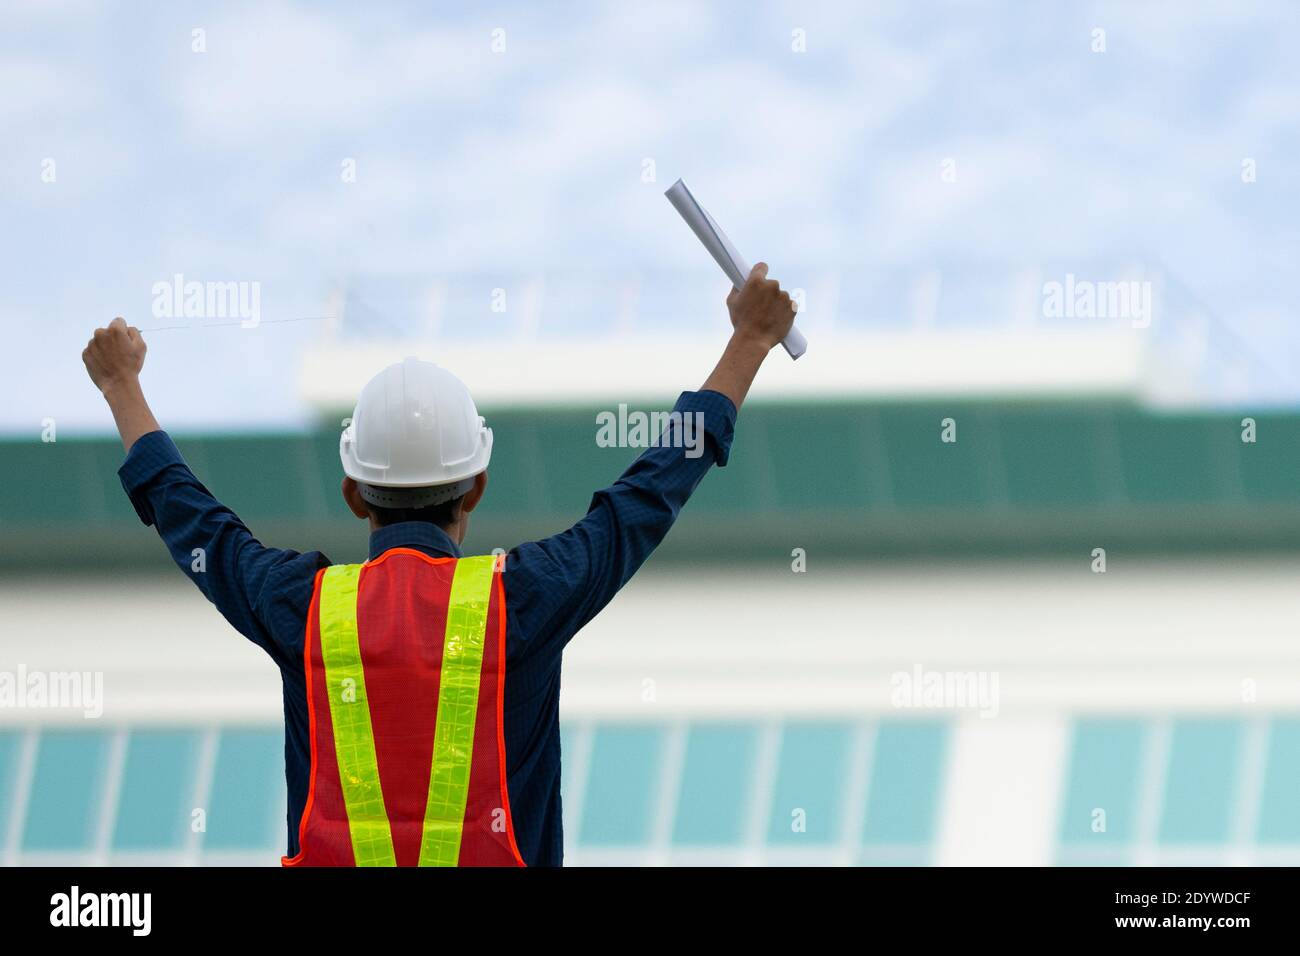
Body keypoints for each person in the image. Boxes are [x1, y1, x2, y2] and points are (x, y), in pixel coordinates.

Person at [81, 263, 798, 866]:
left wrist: (123, 387)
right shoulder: (526, 597)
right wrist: (749, 342)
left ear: (355, 493)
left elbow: (194, 523)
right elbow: (645, 498)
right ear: (477, 487)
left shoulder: (302, 609)